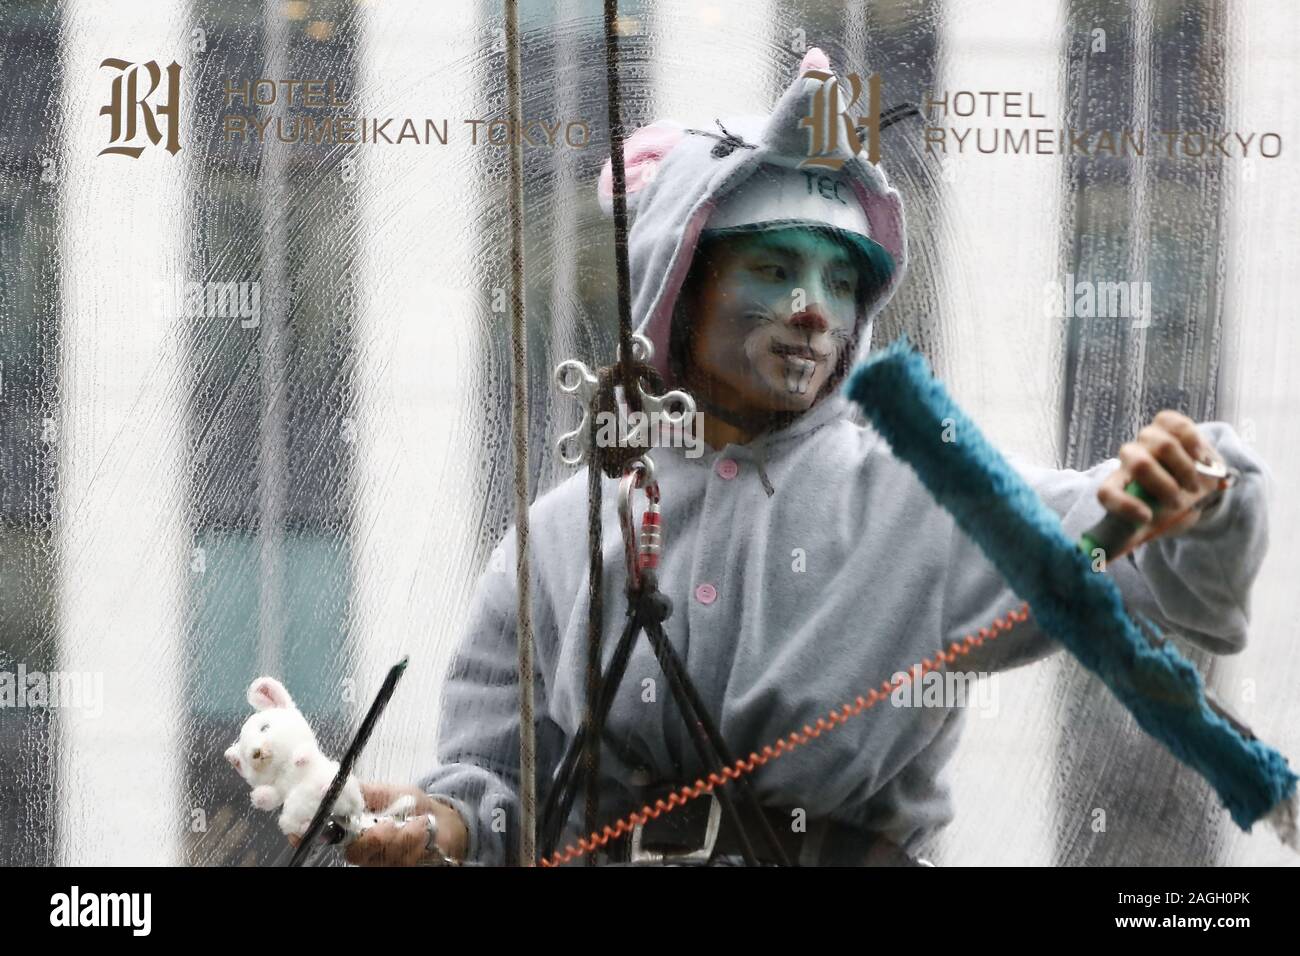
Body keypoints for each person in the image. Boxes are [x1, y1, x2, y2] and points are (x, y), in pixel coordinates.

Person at [338, 48, 1271, 866]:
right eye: (774, 268)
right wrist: (438, 828)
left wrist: (1203, 493)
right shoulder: (556, 538)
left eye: (841, 278)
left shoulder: (922, 501)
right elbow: (492, 790)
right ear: (679, 288)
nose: (817, 309)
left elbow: (1145, 567)